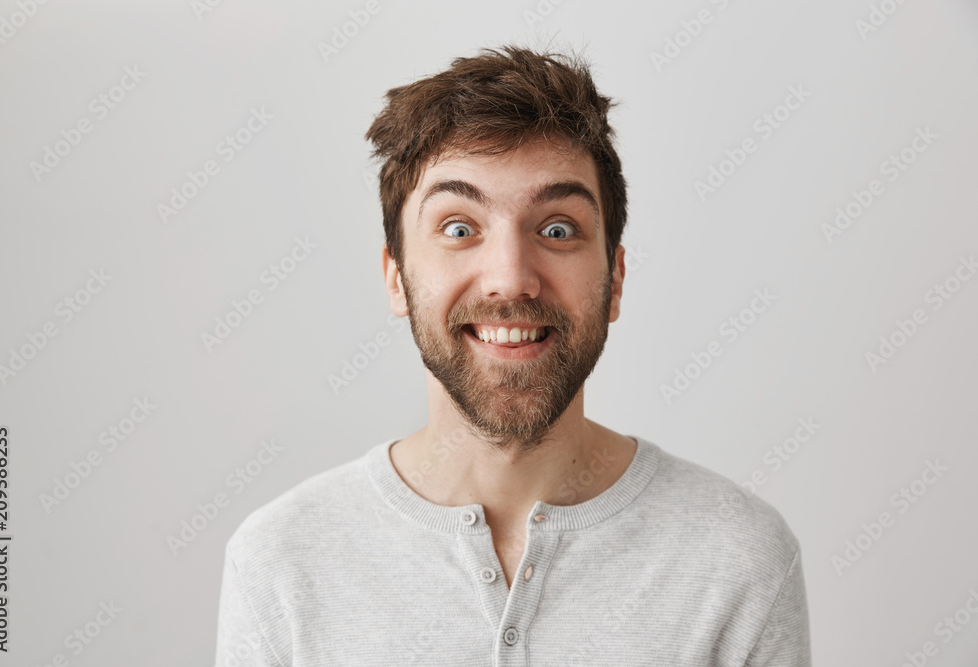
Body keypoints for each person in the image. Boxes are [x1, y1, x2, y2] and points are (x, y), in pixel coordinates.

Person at [215, 43, 811, 666]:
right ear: (396, 277)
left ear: (615, 279)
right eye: (458, 228)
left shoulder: (738, 560)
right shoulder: (280, 563)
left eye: (557, 229)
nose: (510, 279)